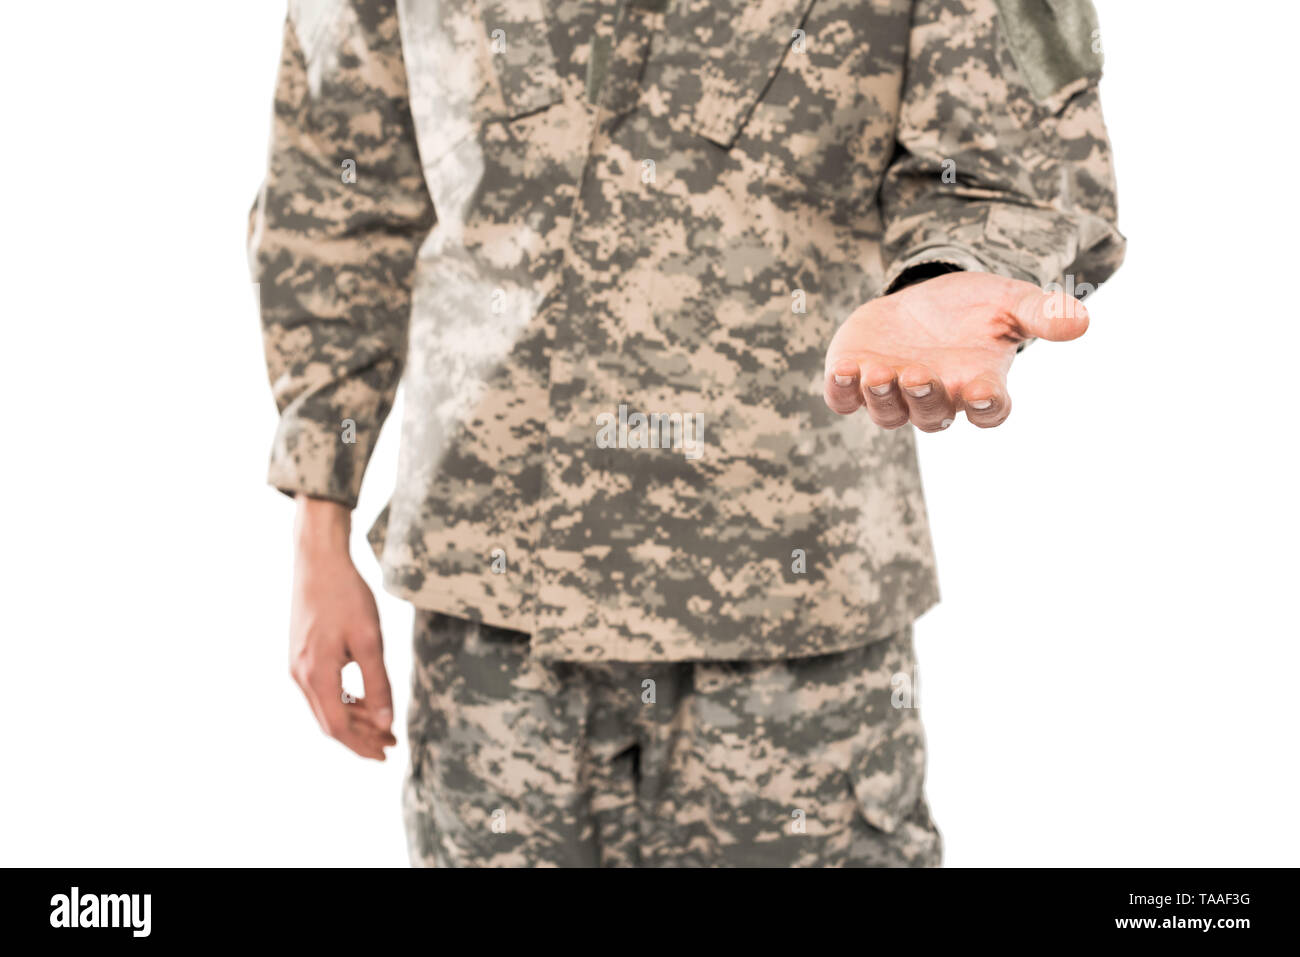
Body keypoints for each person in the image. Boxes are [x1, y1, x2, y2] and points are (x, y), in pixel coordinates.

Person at [249, 0, 1124, 866]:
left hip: (794, 628)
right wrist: (317, 521)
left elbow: (1006, 161)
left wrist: (955, 273)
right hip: (496, 627)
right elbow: (334, 195)